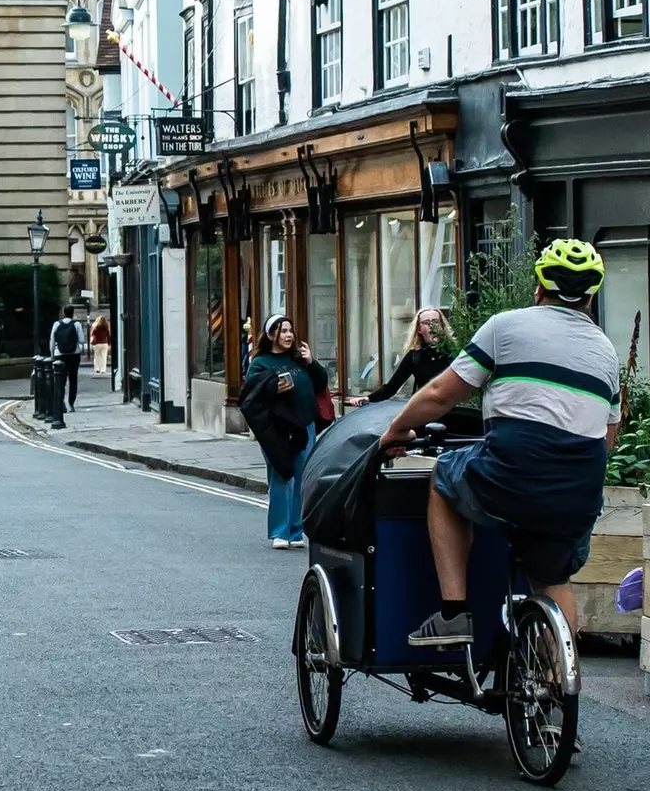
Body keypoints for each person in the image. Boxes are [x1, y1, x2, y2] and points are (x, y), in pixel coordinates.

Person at [380, 239, 620, 648]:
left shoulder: (506, 326)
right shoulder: (606, 351)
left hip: (512, 471)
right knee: (552, 578)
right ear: (591, 296)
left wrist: (396, 431)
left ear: (539, 286)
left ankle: (454, 614)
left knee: (445, 476)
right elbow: (609, 440)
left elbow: (441, 395)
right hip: (576, 488)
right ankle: (556, 684)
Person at [244, 315, 330, 550]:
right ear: (271, 335)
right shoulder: (260, 363)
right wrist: (274, 387)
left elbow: (321, 383)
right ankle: (280, 532)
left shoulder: (299, 360)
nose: (289, 335)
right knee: (282, 475)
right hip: (277, 429)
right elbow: (252, 395)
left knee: (302, 478)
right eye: (283, 331)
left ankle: (296, 530)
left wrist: (311, 362)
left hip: (304, 426)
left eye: (290, 331)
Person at [346, 307, 453, 407]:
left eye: (435, 321)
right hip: (427, 411)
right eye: (426, 322)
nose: (431, 325)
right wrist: (368, 398)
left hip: (455, 410)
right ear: (419, 329)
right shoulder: (415, 356)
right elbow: (392, 387)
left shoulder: (454, 352)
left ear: (442, 326)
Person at [50, 305, 86, 410]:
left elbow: (52, 341)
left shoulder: (56, 324)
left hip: (59, 355)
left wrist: (52, 354)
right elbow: (82, 340)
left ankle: (61, 402)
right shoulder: (77, 324)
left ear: (63, 312)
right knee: (73, 379)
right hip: (74, 355)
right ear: (73, 312)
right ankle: (71, 404)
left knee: (60, 380)